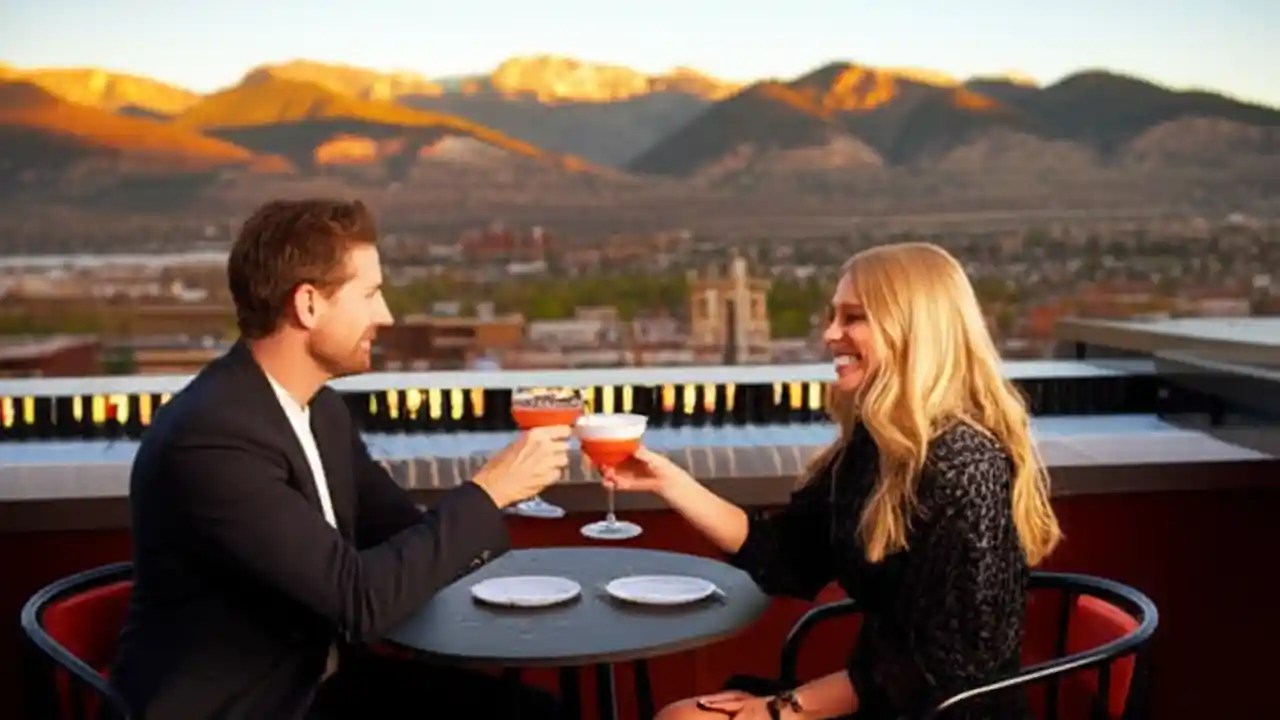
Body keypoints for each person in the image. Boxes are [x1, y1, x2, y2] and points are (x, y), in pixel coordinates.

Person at [110, 199, 568, 719]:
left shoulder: (320, 409)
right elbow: (360, 601)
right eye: (370, 294)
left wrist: (490, 528)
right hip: (253, 709)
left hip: (322, 689)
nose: (386, 315)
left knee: (538, 714)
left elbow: (399, 535)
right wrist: (491, 491)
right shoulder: (212, 439)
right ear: (308, 305)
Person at [606, 242, 1062, 719]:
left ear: (913, 331)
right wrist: (669, 482)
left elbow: (945, 666)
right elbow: (788, 558)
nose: (829, 334)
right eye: (832, 316)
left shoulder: (964, 464)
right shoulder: (878, 445)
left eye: (853, 318)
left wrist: (783, 709)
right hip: (883, 695)